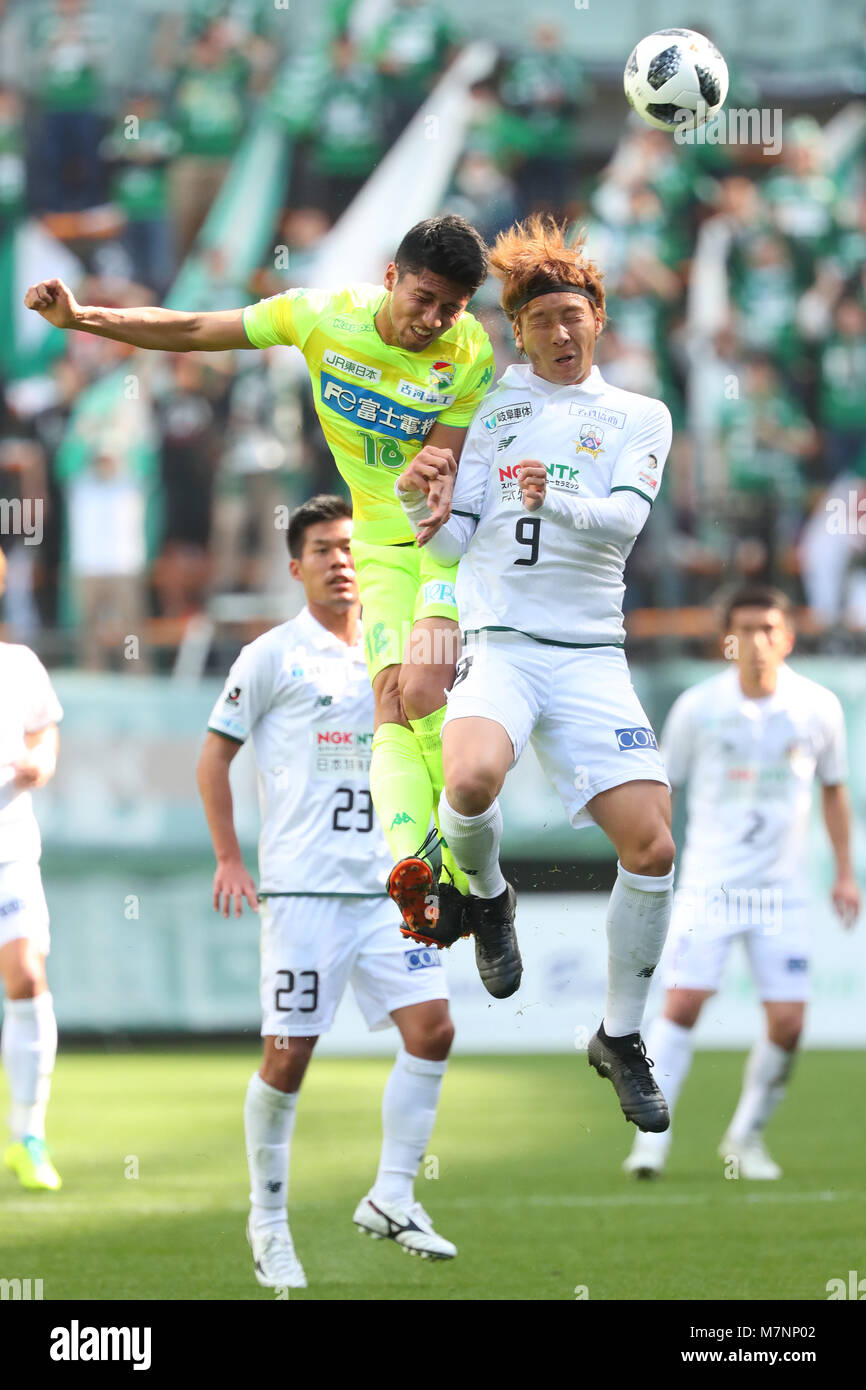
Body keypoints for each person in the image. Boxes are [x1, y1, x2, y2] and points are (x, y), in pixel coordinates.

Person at [24, 213, 495, 955]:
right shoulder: (319, 317)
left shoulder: (469, 350)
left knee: (427, 691)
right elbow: (187, 331)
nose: (434, 321)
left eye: (451, 307)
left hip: (445, 543)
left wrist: (434, 477)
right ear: (390, 280)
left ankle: (478, 883)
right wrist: (82, 316)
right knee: (390, 698)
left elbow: (440, 471)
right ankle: (423, 871)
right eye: (424, 299)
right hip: (378, 539)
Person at [397, 215, 676, 1129]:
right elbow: (462, 536)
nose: (560, 334)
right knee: (471, 777)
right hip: (506, 645)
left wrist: (550, 492)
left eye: (574, 317)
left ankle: (621, 1037)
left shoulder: (640, 416)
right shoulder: (494, 410)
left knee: (653, 848)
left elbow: (625, 523)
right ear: (518, 332)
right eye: (542, 321)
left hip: (593, 656)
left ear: (598, 321)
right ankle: (489, 898)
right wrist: (429, 514)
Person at [196, 496, 457, 1289]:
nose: (340, 560)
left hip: (388, 890)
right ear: (295, 568)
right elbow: (214, 760)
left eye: (348, 547)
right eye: (322, 550)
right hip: (306, 893)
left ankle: (393, 1195)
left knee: (435, 1029)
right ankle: (268, 1223)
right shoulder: (274, 655)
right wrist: (229, 859)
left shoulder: (395, 648)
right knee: (287, 1059)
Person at [625, 586, 860, 1180]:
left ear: (787, 637)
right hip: (710, 885)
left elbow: (834, 790)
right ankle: (651, 1140)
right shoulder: (697, 708)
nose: (756, 642)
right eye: (745, 629)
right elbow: (662, 789)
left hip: (782, 892)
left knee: (789, 1022)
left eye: (768, 629)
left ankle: (745, 1139)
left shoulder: (819, 707)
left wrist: (845, 874)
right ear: (726, 639)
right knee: (683, 1004)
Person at [0, 548, 64, 1190]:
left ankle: (28, 1133)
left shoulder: (17, 665)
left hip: (9, 850)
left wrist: (40, 761)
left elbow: (44, 730)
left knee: (25, 975)